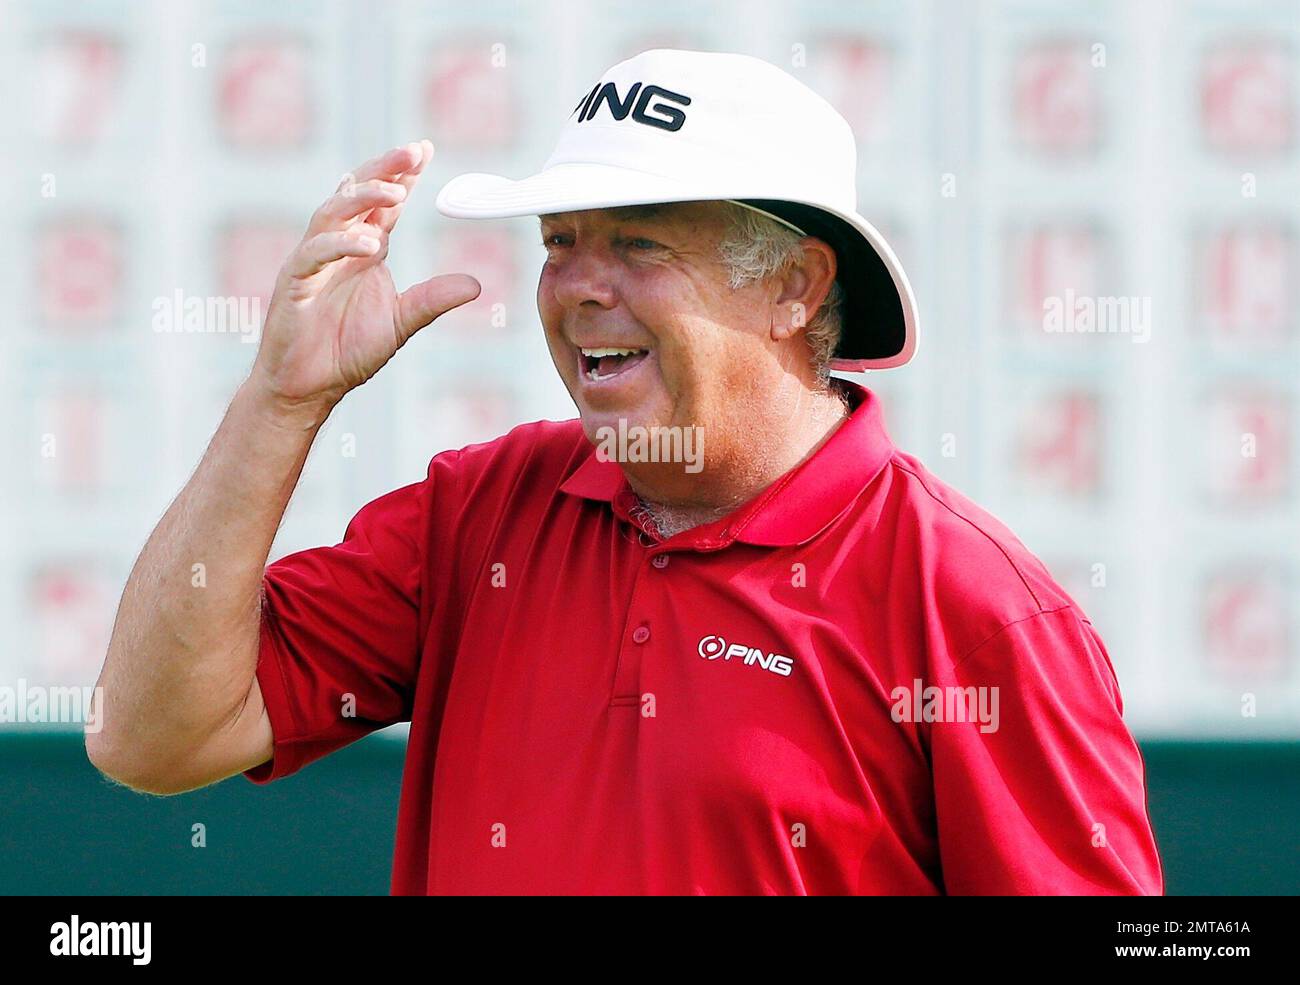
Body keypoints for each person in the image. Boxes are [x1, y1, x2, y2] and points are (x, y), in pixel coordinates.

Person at [86, 48, 1163, 895]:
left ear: (794, 284)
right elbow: (152, 737)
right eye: (561, 241)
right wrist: (280, 404)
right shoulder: (480, 511)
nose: (578, 288)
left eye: (639, 246)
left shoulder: (975, 610)